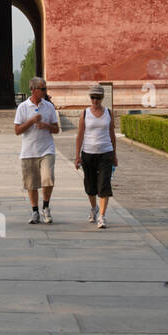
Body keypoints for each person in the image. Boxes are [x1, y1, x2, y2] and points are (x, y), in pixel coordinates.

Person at [14, 76, 60, 224]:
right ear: (33, 90)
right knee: (31, 183)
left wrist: (46, 125)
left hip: (47, 149)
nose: (45, 91)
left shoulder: (49, 106)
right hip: (29, 150)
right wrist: (32, 121)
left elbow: (56, 129)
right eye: (43, 89)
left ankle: (45, 206)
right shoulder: (22, 108)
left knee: (48, 179)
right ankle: (35, 211)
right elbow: (17, 130)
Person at [73, 84, 117, 229]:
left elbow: (112, 134)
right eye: (92, 97)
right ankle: (94, 208)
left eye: (98, 98)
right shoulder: (85, 113)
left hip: (106, 152)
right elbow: (80, 135)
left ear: (102, 98)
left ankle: (102, 216)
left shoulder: (109, 113)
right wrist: (77, 155)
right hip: (88, 153)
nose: (95, 101)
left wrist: (115, 154)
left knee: (104, 184)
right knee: (90, 186)